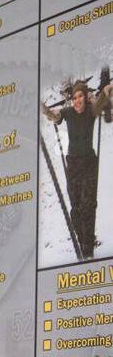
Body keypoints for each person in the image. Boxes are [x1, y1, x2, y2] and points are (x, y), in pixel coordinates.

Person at [42, 79, 113, 260]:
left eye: (80, 96)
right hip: (73, 164)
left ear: (85, 97)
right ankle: (84, 241)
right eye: (74, 97)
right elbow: (56, 116)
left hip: (88, 163)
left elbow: (99, 104)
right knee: (76, 208)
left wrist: (106, 91)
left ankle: (87, 250)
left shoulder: (91, 110)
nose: (77, 100)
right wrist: (46, 111)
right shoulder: (69, 112)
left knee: (88, 206)